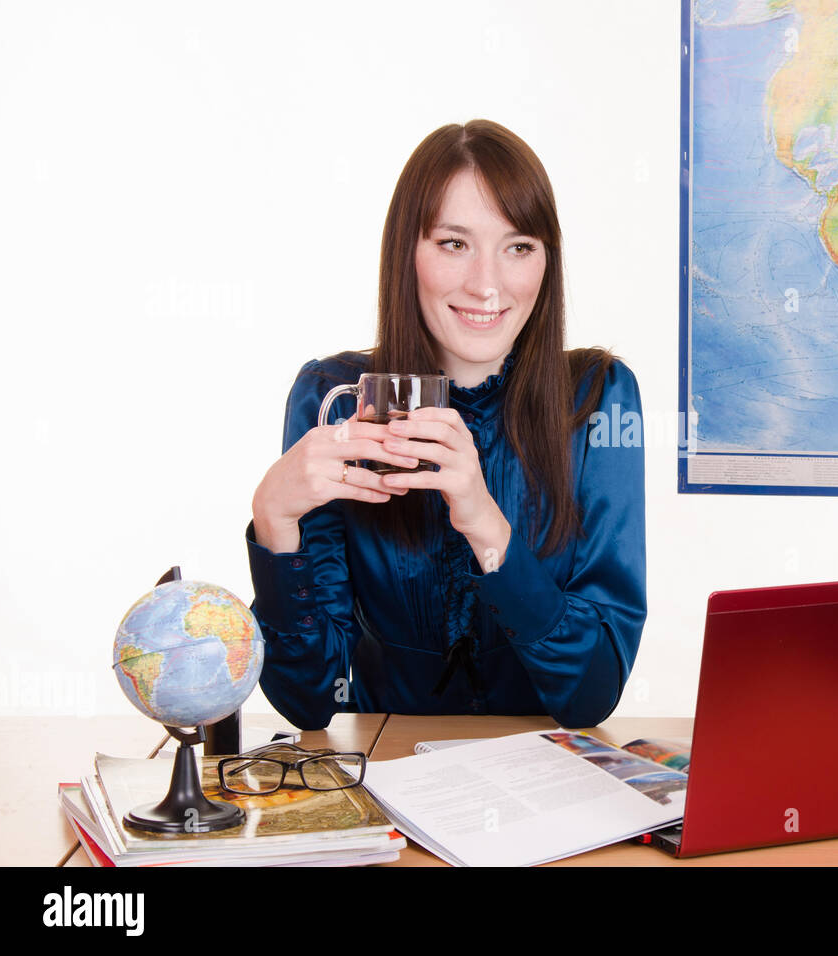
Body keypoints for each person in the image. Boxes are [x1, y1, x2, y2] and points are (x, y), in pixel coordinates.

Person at [244, 120, 646, 731]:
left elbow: (592, 694)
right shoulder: (333, 398)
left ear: (546, 263)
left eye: (518, 246)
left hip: (546, 798)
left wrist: (485, 522)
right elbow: (310, 699)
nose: (487, 284)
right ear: (408, 251)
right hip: (388, 789)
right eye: (454, 244)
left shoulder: (599, 400)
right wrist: (275, 522)